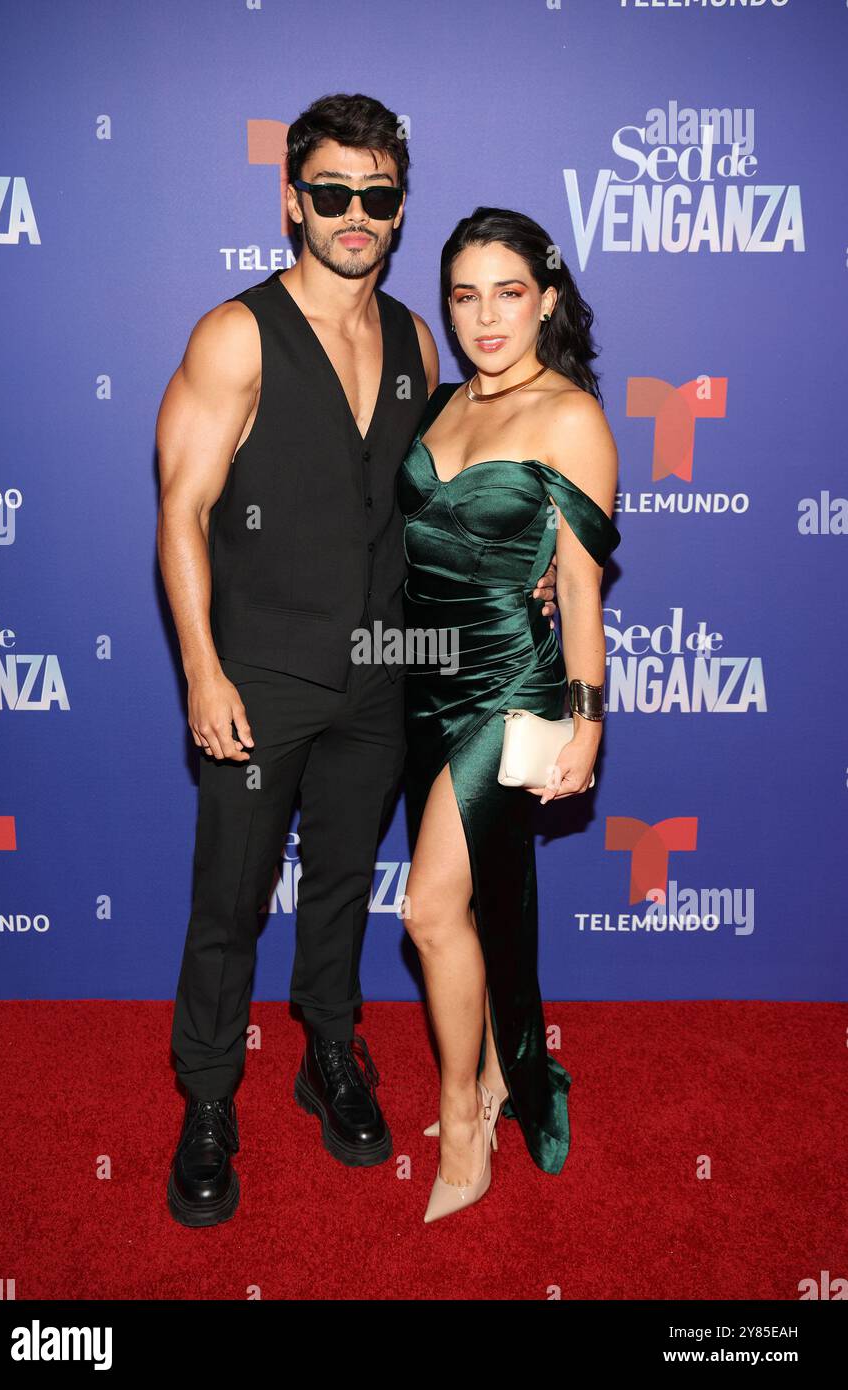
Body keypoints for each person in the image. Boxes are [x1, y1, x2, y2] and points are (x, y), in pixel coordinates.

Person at [155, 93, 563, 1226]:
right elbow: (180, 512)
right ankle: (204, 1100)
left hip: (380, 671)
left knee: (341, 883)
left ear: (395, 212)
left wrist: (527, 557)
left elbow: (445, 497)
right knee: (228, 901)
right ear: (291, 199)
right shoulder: (232, 335)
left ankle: (328, 1050)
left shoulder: (414, 340)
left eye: (374, 197)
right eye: (329, 192)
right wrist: (202, 668)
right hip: (261, 674)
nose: (351, 214)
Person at [397, 208, 621, 1223]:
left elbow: (576, 589)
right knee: (483, 898)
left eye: (506, 291)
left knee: (429, 909)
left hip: (514, 688)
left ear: (546, 298)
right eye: (462, 294)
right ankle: (493, 1068)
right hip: (424, 678)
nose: (483, 316)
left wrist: (585, 719)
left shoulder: (568, 414)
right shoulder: (440, 404)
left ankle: (461, 1124)